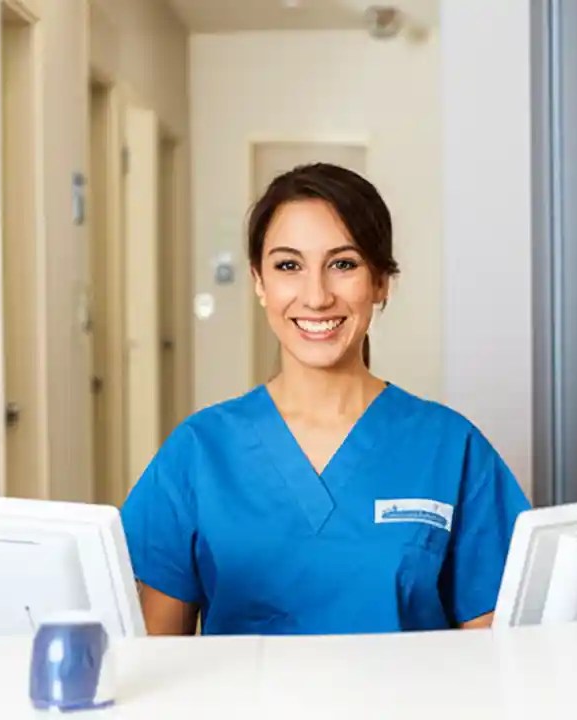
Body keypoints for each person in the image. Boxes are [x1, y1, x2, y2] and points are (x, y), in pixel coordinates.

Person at [120, 162, 529, 636]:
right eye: (288, 266)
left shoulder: (450, 448)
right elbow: (156, 657)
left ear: (381, 282)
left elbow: (495, 659)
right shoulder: (199, 452)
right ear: (259, 281)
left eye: (344, 264)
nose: (316, 297)